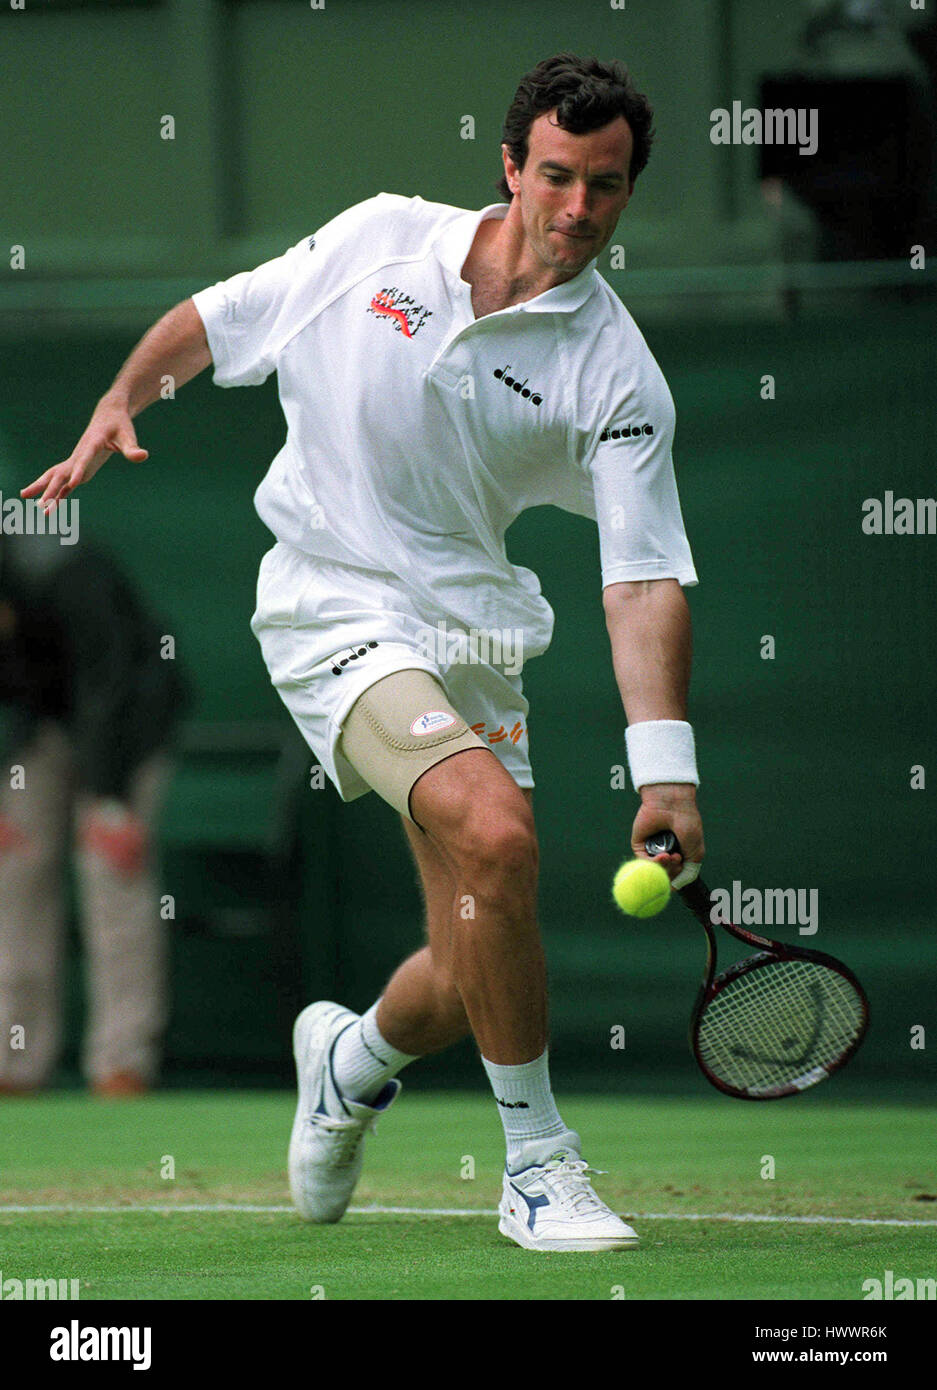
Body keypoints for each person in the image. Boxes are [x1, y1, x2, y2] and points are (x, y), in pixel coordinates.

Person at [24, 53, 705, 1250]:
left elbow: (642, 576)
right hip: (331, 604)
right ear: (508, 168)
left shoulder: (618, 374)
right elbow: (221, 317)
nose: (577, 210)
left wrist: (666, 769)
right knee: (499, 831)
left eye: (605, 187)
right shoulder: (379, 242)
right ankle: (539, 1167)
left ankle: (347, 1058)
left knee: (473, 944)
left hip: (475, 631)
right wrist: (126, 396)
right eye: (555, 177)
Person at [0, 529, 188, 1096]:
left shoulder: (70, 574)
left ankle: (121, 1063)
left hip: (128, 729)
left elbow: (109, 686)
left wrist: (109, 803)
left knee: (111, 873)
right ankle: (14, 1060)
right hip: (41, 733)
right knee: (14, 873)